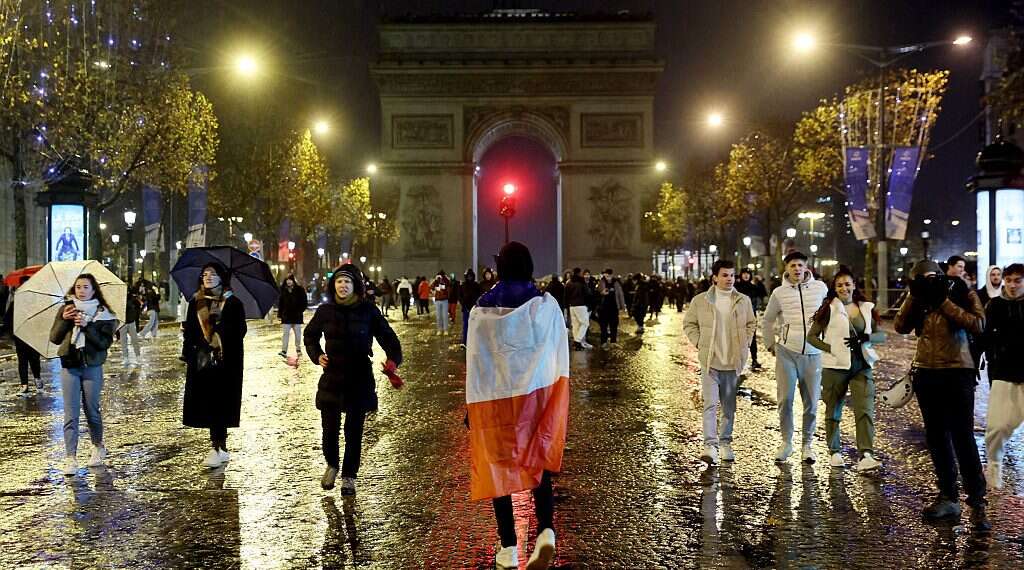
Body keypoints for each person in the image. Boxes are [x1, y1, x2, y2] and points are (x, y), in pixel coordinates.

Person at [467, 242, 568, 570]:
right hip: (535, 398)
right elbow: (556, 350)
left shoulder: (481, 308)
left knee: (499, 471)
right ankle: (546, 532)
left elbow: (476, 361)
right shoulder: (545, 304)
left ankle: (508, 547)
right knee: (537, 464)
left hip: (495, 401)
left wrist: (472, 407)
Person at [894, 260, 989, 531]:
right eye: (922, 278)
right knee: (936, 437)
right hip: (926, 372)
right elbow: (900, 325)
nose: (929, 281)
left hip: (958, 372)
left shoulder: (961, 290)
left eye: (932, 277)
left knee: (963, 437)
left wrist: (944, 302)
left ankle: (978, 503)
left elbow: (979, 324)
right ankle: (948, 496)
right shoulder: (917, 296)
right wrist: (914, 294)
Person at [304, 264, 402, 496]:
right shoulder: (325, 311)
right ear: (333, 286)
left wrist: (393, 360)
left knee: (354, 431)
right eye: (339, 282)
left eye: (347, 282)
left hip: (359, 377)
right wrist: (317, 355)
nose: (343, 285)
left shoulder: (368, 310)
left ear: (355, 285)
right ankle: (332, 464)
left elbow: (388, 337)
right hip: (332, 377)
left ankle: (349, 476)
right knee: (329, 429)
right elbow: (310, 336)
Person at [807, 269, 886, 471]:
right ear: (834, 288)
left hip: (862, 366)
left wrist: (866, 338)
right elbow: (812, 337)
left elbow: (881, 335)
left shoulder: (865, 308)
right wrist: (831, 348)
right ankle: (834, 452)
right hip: (835, 367)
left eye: (848, 284)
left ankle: (866, 454)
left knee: (865, 409)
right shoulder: (829, 309)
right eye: (840, 285)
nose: (844, 288)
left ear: (854, 285)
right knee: (834, 410)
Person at [683, 260, 756, 465]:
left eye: (732, 275)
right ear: (715, 277)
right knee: (710, 404)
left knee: (729, 407)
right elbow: (689, 324)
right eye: (725, 275)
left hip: (733, 363)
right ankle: (710, 445)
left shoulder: (743, 300)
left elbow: (751, 323)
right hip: (710, 363)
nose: (729, 279)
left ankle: (725, 443)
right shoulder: (700, 300)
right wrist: (699, 342)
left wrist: (745, 343)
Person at [762, 251, 828, 464]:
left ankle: (807, 445)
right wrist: (770, 343)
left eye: (800, 265)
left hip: (814, 353)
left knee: (812, 403)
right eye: (792, 265)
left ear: (806, 267)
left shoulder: (821, 288)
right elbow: (767, 320)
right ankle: (786, 443)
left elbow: (833, 316)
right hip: (786, 353)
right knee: (786, 399)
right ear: (786, 269)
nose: (797, 269)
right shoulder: (779, 293)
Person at [49, 274, 117, 475]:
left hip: (92, 366)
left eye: (85, 287)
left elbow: (104, 344)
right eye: (77, 287)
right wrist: (64, 320)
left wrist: (87, 327)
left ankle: (98, 446)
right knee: (71, 413)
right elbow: (54, 338)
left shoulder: (104, 313)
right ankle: (70, 457)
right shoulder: (66, 309)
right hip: (70, 364)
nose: (81, 290)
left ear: (94, 290)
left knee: (92, 410)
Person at [182, 263, 248, 469]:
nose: (208, 277)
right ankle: (217, 447)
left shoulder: (233, 303)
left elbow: (240, 330)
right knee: (208, 402)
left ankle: (219, 447)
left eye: (213, 274)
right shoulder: (196, 302)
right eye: (205, 274)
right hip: (202, 360)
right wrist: (189, 352)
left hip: (225, 360)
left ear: (222, 277)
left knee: (221, 403)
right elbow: (190, 330)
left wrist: (218, 334)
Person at [981, 263, 1024, 491]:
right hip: (1002, 373)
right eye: (1009, 280)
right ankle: (994, 463)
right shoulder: (995, 306)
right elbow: (985, 338)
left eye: (1018, 280)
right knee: (997, 425)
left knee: (1013, 421)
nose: (1012, 285)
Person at [6, 276, 43, 393]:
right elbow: (8, 319)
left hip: (34, 335)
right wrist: (13, 333)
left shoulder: (37, 302)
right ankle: (24, 384)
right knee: (22, 360)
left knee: (34, 359)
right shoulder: (15, 302)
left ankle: (37, 378)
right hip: (20, 336)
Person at [735, 269, 764, 371]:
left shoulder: (753, 287)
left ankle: (754, 359)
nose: (746, 276)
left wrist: (759, 281)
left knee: (752, 339)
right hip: (737, 316)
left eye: (748, 274)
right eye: (744, 274)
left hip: (751, 316)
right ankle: (737, 360)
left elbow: (763, 292)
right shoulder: (736, 287)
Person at [278, 274, 308, 359]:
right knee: (285, 334)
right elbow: (281, 304)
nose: (288, 281)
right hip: (286, 316)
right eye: (287, 280)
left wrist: (300, 310)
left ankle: (298, 349)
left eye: (290, 280)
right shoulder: (283, 290)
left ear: (293, 281)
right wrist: (280, 315)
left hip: (296, 317)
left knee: (298, 335)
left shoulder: (299, 290)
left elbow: (304, 302)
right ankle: (284, 350)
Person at [597, 268, 625, 348]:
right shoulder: (601, 282)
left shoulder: (616, 282)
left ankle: (613, 341)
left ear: (611, 275)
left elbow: (620, 294)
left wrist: (622, 306)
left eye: (609, 274)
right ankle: (604, 342)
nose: (607, 276)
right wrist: (602, 293)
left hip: (614, 308)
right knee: (603, 326)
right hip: (603, 308)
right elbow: (597, 294)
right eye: (606, 274)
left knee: (614, 325)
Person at [565, 268, 592, 350]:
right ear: (580, 273)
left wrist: (566, 306)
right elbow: (587, 294)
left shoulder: (569, 283)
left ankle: (576, 344)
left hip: (571, 306)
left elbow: (565, 295)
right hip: (581, 305)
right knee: (585, 323)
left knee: (575, 324)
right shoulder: (582, 282)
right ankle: (577, 341)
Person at [118, 290, 143, 367]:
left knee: (134, 339)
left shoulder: (132, 298)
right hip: (122, 322)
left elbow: (139, 305)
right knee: (123, 341)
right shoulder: (118, 299)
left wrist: (135, 315)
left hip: (131, 321)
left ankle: (138, 356)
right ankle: (125, 357)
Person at [459, 269, 482, 348]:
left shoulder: (476, 285)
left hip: (474, 308)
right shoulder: (463, 285)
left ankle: (474, 342)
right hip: (466, 308)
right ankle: (465, 341)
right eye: (468, 276)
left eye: (471, 276)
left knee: (474, 325)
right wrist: (463, 303)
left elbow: (479, 295)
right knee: (466, 325)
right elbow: (460, 296)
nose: (469, 277)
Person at [431, 270, 451, 336]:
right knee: (438, 316)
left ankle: (445, 330)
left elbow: (447, 287)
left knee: (445, 316)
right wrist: (436, 280)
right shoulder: (436, 280)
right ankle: (439, 330)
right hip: (437, 300)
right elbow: (431, 287)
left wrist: (440, 286)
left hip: (445, 300)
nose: (440, 276)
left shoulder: (446, 280)